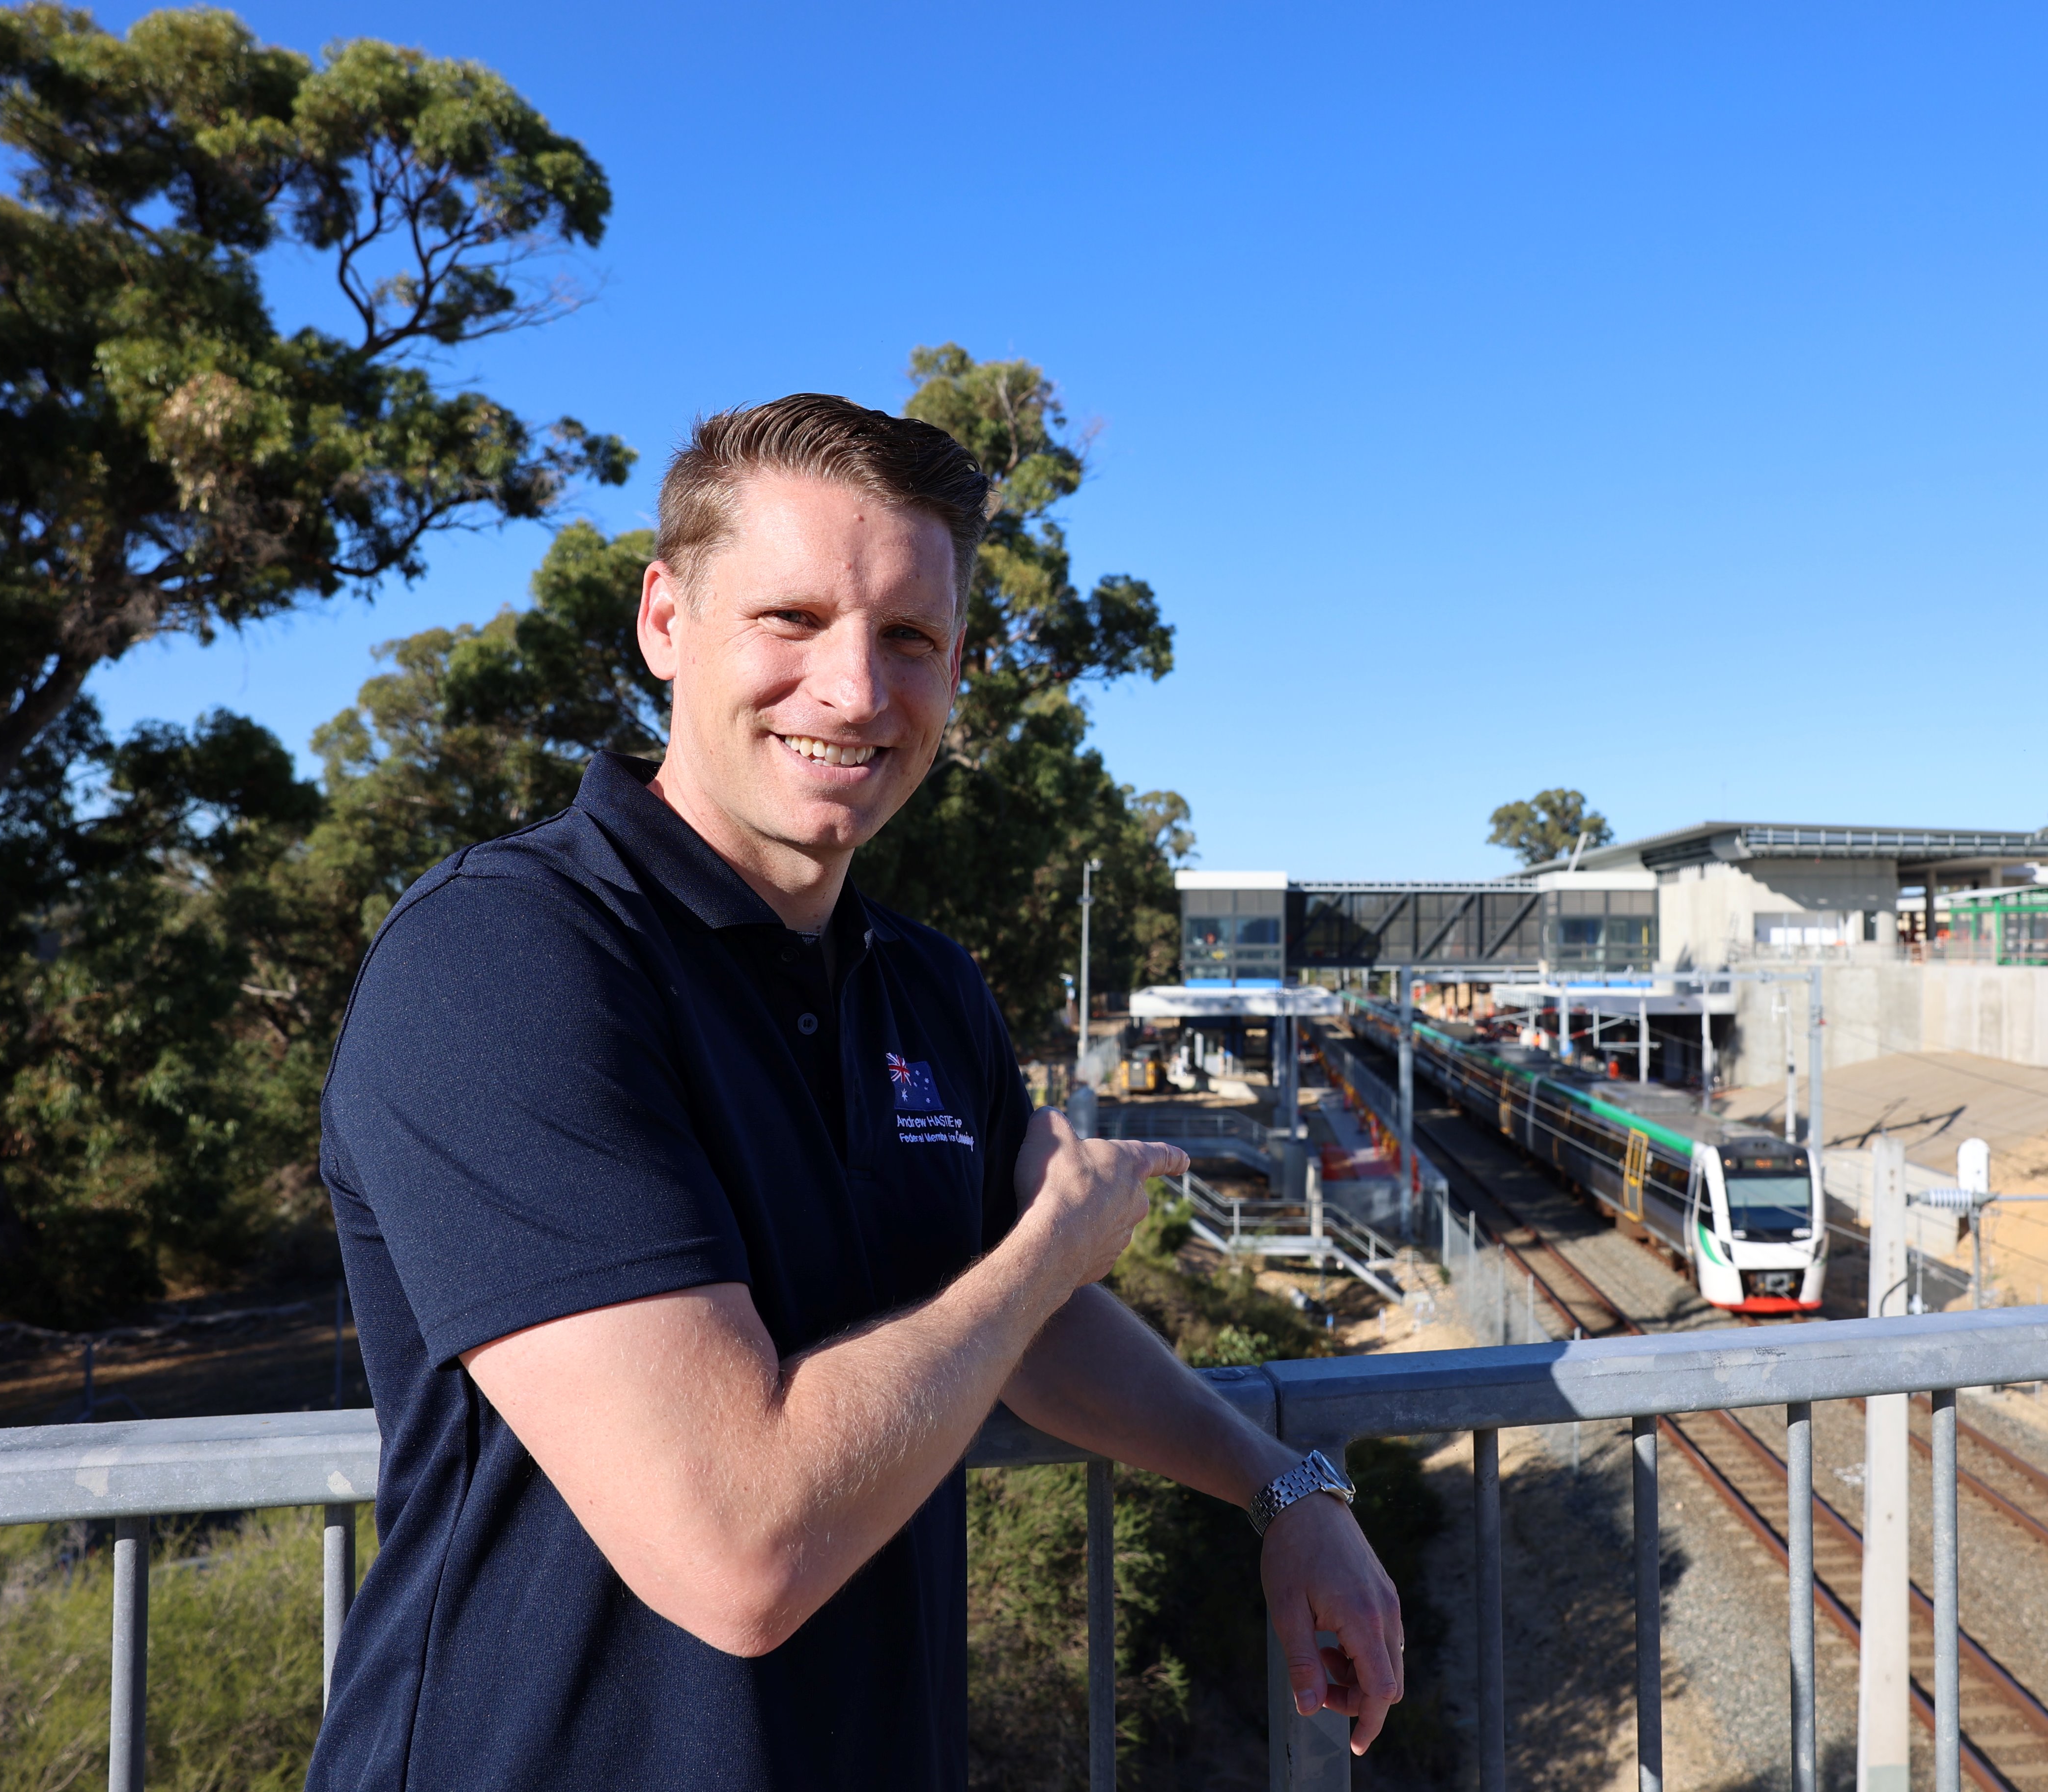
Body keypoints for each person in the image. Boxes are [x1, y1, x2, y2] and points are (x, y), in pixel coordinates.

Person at [309, 394, 1402, 1790]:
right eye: (792, 620)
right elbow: (739, 1549)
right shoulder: (503, 960)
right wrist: (1046, 1251)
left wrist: (1279, 1487)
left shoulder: (925, 988)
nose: (856, 691)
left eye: (909, 639)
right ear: (664, 621)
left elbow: (1029, 1323)